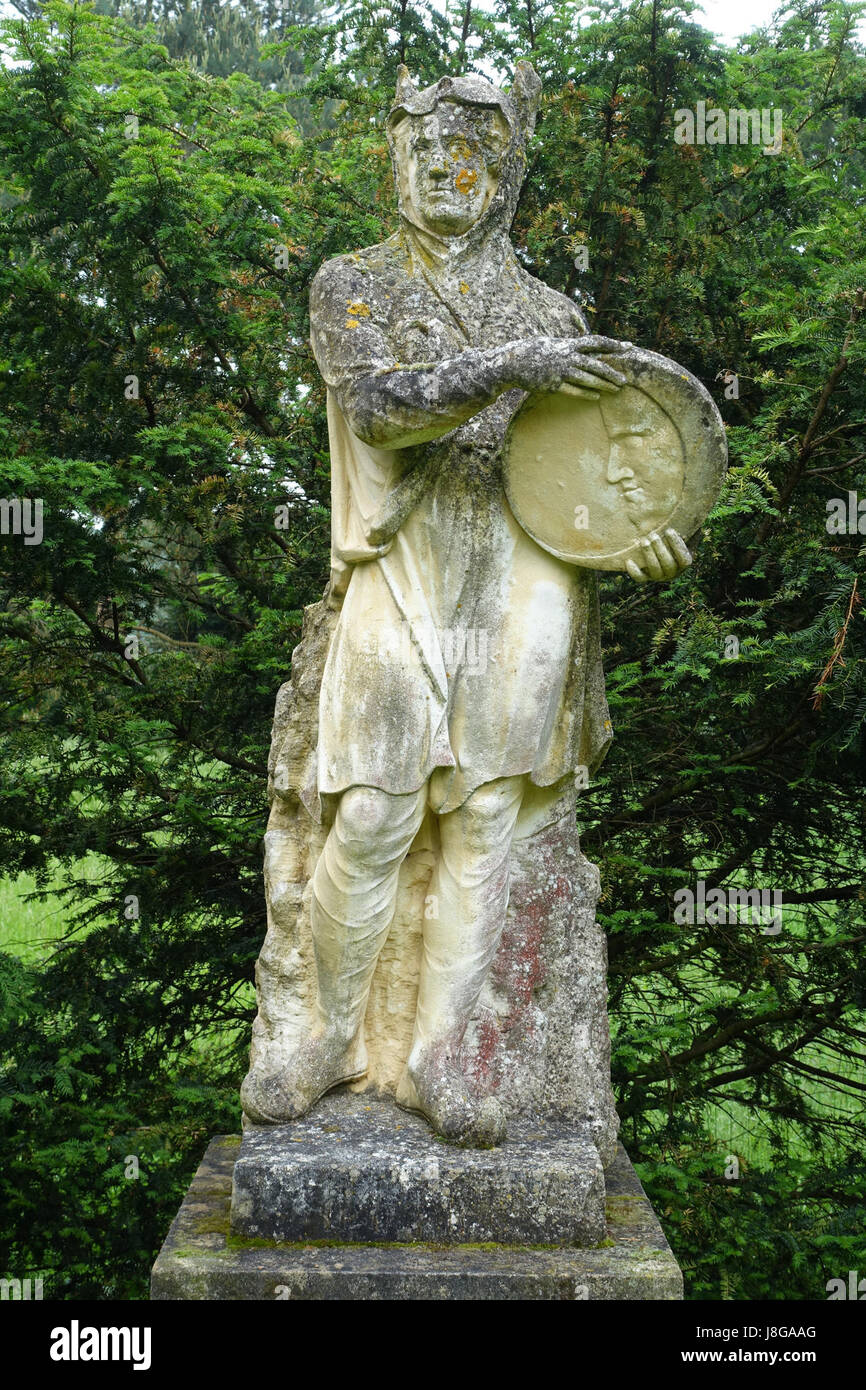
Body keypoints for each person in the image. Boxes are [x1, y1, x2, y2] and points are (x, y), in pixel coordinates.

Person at [240, 63, 691, 1145]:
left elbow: (587, 473)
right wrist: (507, 369)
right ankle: (321, 1035)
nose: (451, 170)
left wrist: (633, 538)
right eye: (428, 150)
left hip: (518, 568)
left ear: (504, 176)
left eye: (475, 156)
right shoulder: (354, 283)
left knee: (486, 815)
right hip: (404, 558)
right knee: (375, 807)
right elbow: (379, 409)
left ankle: (446, 1052)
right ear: (394, 160)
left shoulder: (547, 310)